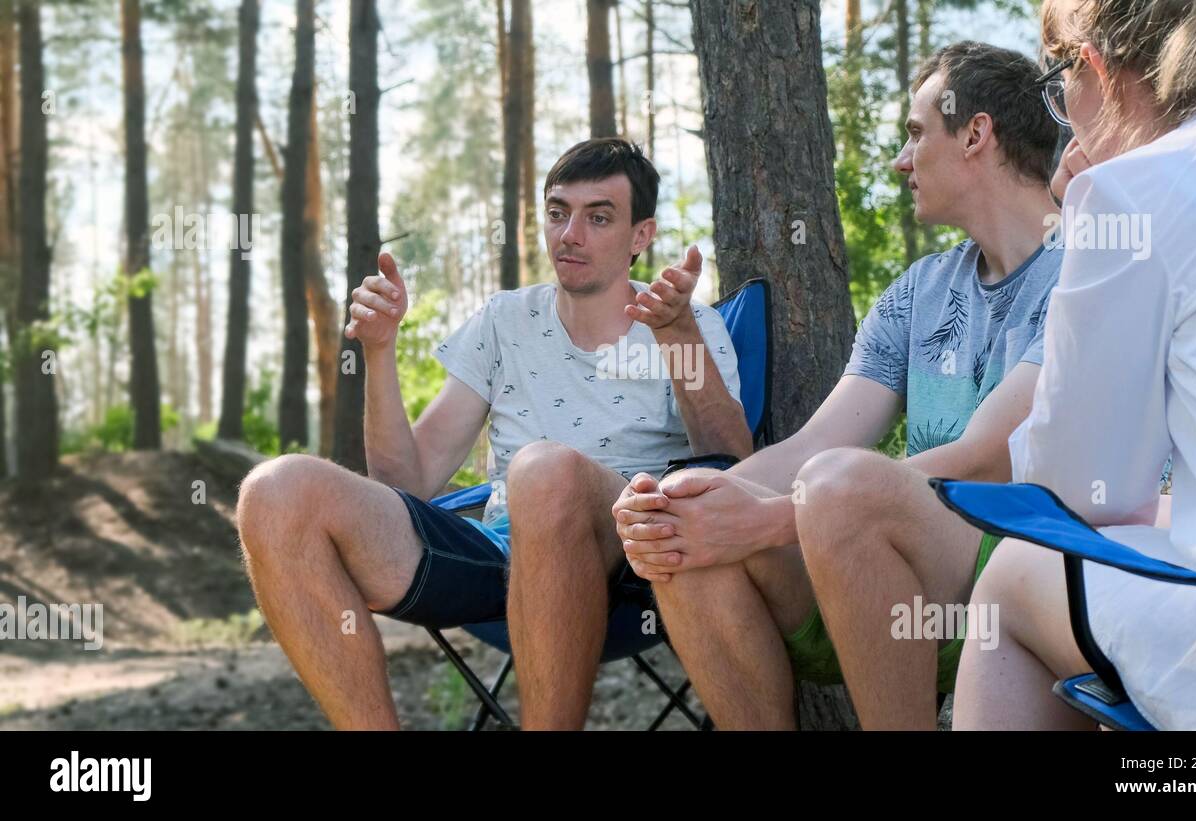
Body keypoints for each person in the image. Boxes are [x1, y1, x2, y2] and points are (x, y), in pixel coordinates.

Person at [613, 42, 1063, 729]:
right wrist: (694, 502)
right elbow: (820, 439)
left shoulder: (1079, 273)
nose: (900, 160)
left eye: (915, 134)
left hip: (1023, 570)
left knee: (836, 489)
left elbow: (984, 459)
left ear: (975, 134)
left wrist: (770, 516)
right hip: (885, 572)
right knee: (688, 531)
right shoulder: (919, 292)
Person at [237, 138, 750, 729]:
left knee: (544, 470)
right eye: (558, 213)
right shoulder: (504, 321)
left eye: (598, 216)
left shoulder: (688, 322)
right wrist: (380, 353)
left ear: (642, 235)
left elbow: (733, 466)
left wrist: (676, 335)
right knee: (276, 490)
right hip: (503, 557)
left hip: (637, 557)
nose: (569, 234)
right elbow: (405, 483)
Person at [954, 0, 1196, 730]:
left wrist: (1092, 218)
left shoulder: (1136, 190)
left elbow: (1075, 496)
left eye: (1058, 82)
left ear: (1097, 70)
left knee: (1015, 575)